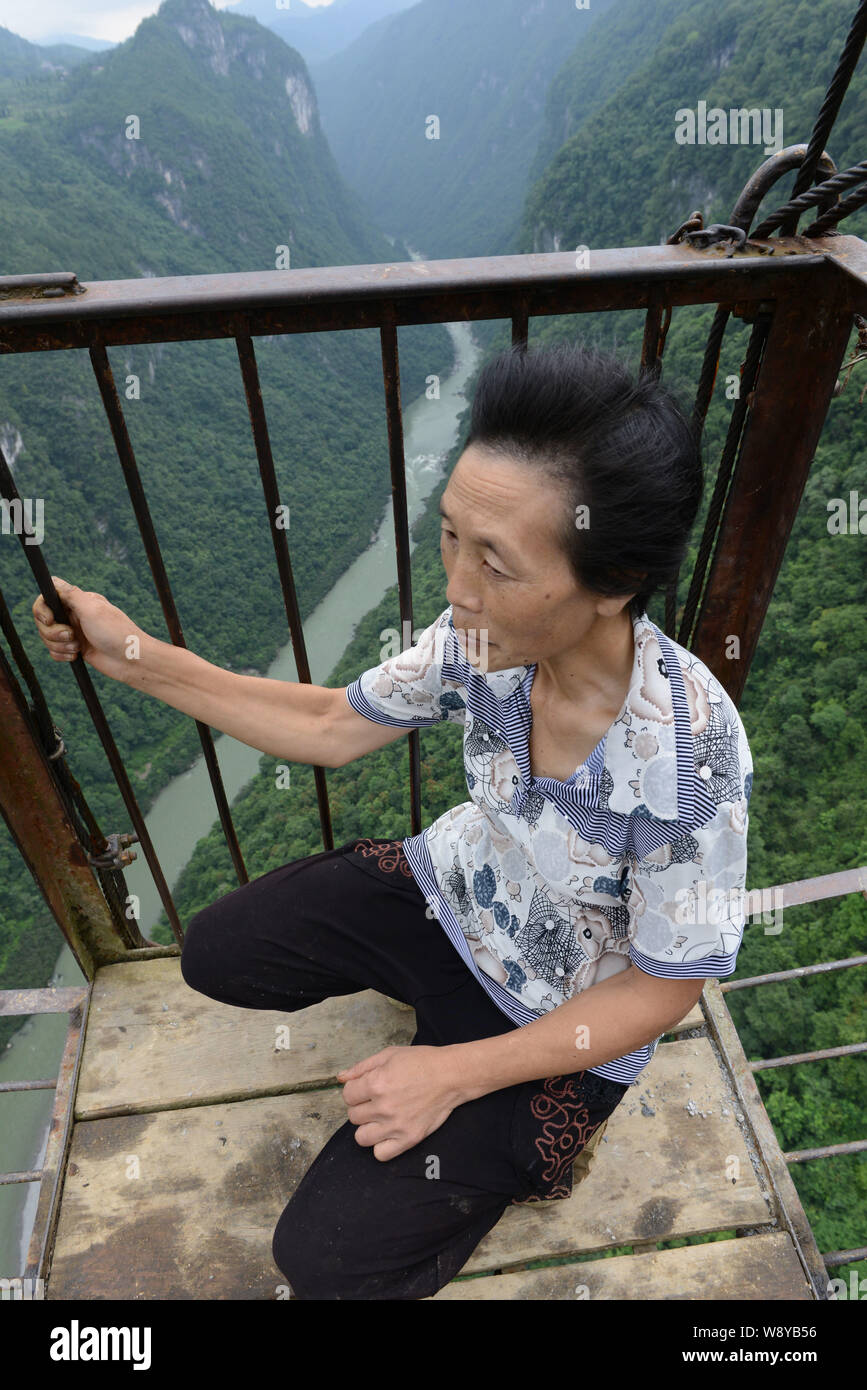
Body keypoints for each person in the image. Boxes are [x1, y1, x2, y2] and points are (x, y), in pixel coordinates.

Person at [32, 340, 753, 1301]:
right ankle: (437, 1035)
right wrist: (132, 656)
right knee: (219, 952)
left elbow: (666, 985)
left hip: (562, 1008)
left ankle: (533, 1152)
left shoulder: (688, 757)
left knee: (327, 1266)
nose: (456, 586)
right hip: (453, 894)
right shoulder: (479, 639)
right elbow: (330, 723)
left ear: (611, 583)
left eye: (494, 562)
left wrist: (454, 1074)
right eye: (451, 535)